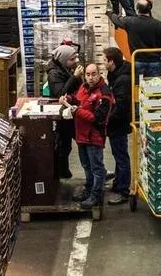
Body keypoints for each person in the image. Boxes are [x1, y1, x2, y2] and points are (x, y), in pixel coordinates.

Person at [63, 63, 114, 210]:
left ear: (99, 74)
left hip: (94, 138)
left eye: (93, 74)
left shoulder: (104, 94)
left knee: (96, 168)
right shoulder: (84, 87)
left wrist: (76, 110)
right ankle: (90, 188)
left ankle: (96, 195)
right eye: (88, 74)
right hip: (81, 136)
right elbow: (78, 99)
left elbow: (98, 118)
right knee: (86, 166)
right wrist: (70, 99)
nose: (90, 78)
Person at [45, 43, 81, 178]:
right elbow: (60, 93)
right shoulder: (54, 74)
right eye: (72, 59)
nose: (75, 61)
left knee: (66, 144)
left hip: (70, 109)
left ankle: (63, 171)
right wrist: (74, 77)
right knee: (64, 144)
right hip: (63, 113)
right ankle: (62, 171)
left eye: (75, 58)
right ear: (62, 59)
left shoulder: (66, 68)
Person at [108, 0, 161, 77]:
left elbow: (116, 20)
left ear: (137, 10)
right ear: (149, 9)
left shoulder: (130, 22)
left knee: (138, 87)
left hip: (138, 61)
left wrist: (110, 13)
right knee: (154, 86)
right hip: (155, 62)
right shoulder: (159, 25)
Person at [103, 47, 132, 204]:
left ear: (111, 62)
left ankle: (123, 191)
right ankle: (118, 184)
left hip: (119, 124)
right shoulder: (114, 73)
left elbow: (121, 106)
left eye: (104, 60)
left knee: (121, 157)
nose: (103, 63)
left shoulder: (122, 80)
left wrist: (107, 119)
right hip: (116, 123)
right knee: (118, 154)